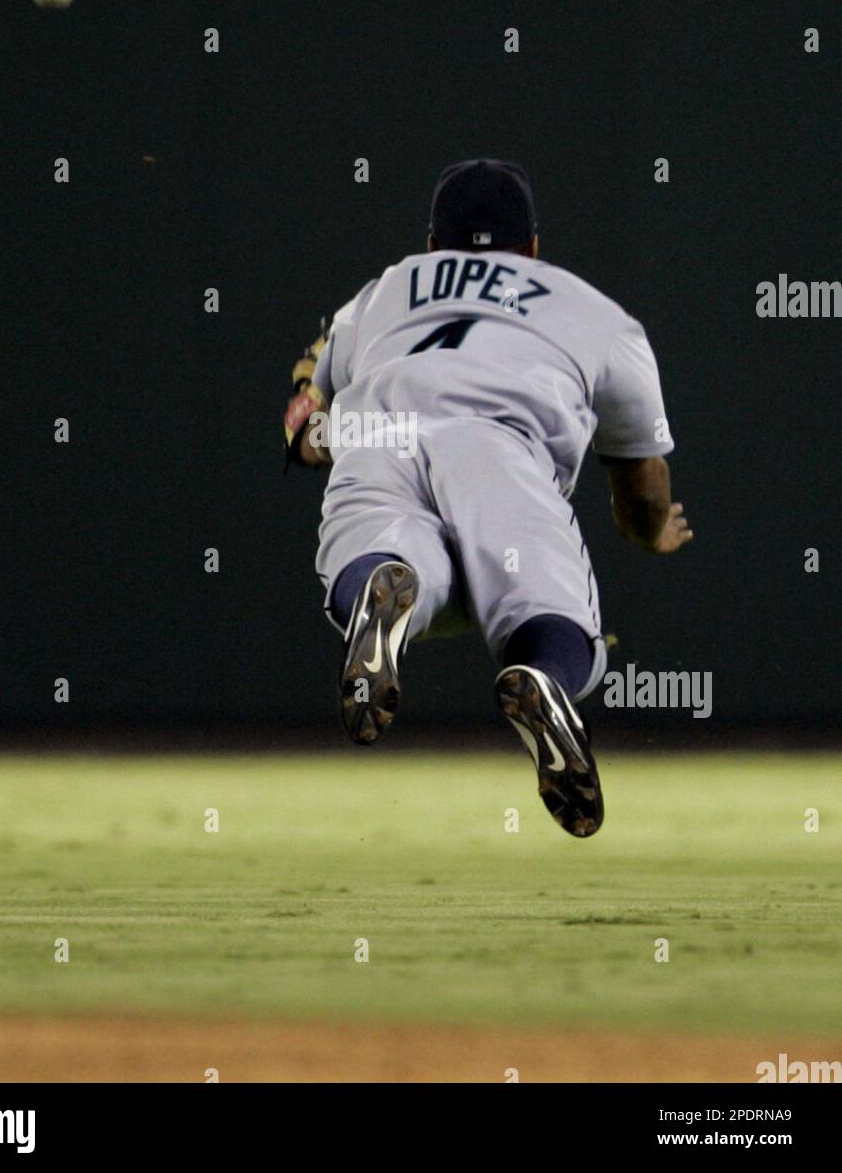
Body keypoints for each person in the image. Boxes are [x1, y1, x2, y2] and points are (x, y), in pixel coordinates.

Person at [284, 159, 692, 837]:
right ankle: (542, 678)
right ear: (533, 247)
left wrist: (306, 400)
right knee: (546, 613)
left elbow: (308, 436)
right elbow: (642, 488)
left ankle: (381, 595)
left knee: (397, 565)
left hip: (377, 438)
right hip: (498, 451)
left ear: (430, 245)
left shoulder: (379, 296)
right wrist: (652, 532)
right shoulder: (596, 315)